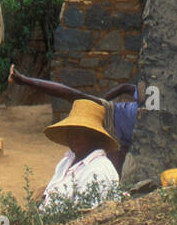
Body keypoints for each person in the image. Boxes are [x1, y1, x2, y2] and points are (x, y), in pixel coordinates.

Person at [9, 64, 139, 175]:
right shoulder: (154, 93)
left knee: (114, 176)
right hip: (111, 115)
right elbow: (125, 87)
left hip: (124, 139)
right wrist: (102, 101)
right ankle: (23, 80)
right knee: (75, 96)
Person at [37, 98, 123, 214]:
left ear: (94, 136)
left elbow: (87, 215)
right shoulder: (65, 162)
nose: (73, 137)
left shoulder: (99, 170)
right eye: (71, 132)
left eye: (80, 133)